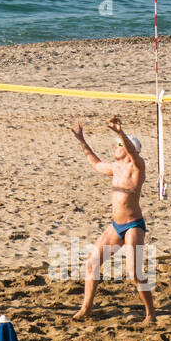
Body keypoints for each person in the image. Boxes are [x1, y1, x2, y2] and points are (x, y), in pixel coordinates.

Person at [70, 116, 155, 324]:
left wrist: (119, 133)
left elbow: (133, 153)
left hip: (133, 225)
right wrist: (82, 141)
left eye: (118, 146)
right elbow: (96, 163)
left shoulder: (137, 167)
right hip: (116, 225)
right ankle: (86, 309)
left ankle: (150, 313)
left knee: (134, 274)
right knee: (92, 263)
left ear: (126, 148)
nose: (115, 148)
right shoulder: (115, 168)